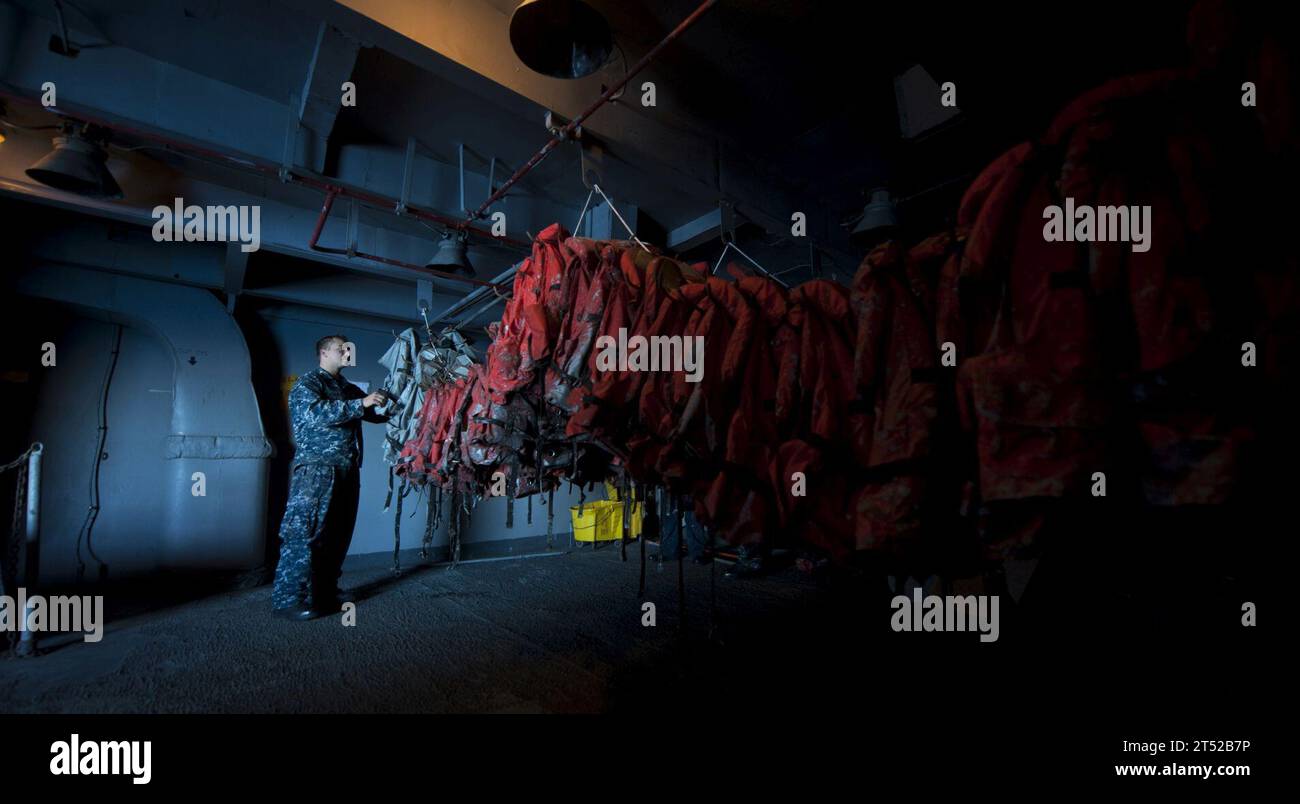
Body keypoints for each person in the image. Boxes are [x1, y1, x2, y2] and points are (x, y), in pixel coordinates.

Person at [271, 335, 390, 620]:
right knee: (305, 532)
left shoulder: (344, 387)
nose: (348, 352)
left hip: (346, 469)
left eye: (350, 348)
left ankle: (325, 592)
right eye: (342, 349)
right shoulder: (310, 383)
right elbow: (313, 414)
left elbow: (371, 413)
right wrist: (361, 404)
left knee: (337, 534)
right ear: (324, 352)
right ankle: (288, 600)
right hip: (317, 469)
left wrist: (392, 402)